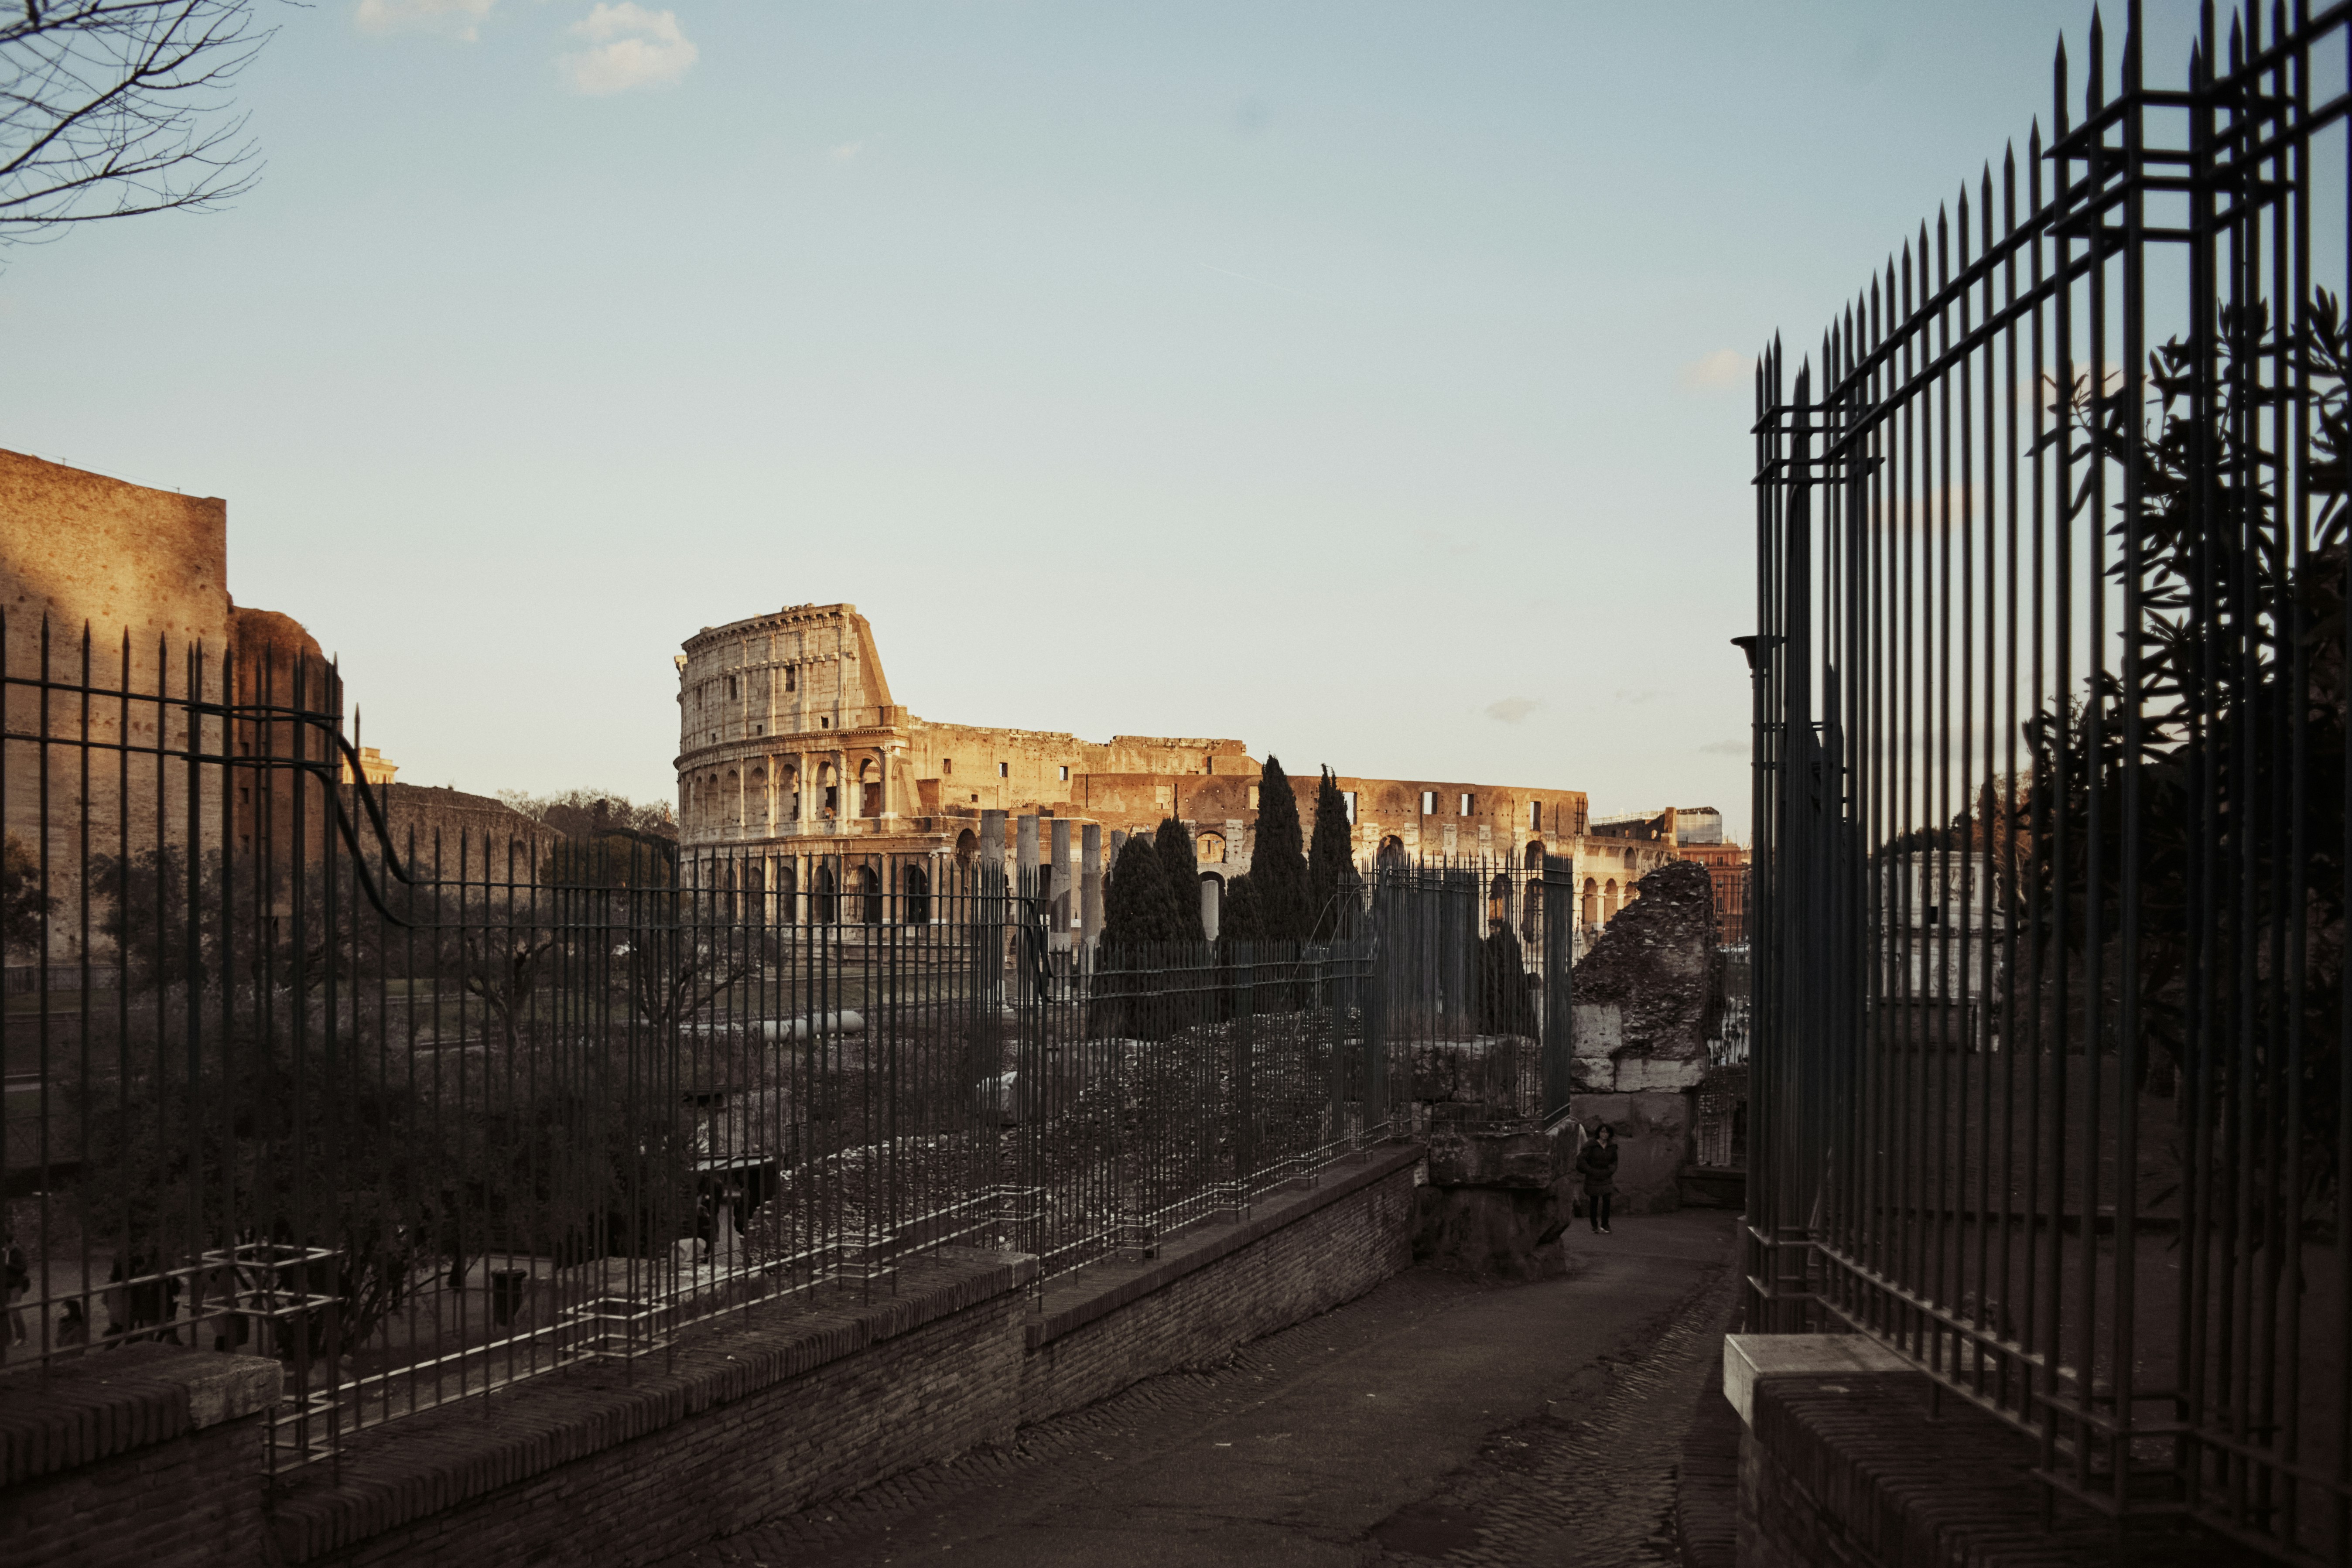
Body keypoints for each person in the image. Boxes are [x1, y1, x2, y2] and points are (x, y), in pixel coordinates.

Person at [1577, 1124, 1620, 1235]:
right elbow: (1582, 1160)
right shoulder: (1591, 1146)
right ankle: (1594, 1225)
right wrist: (1590, 1170)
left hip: (1606, 1176)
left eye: (1606, 1132)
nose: (1604, 1135)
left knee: (1607, 1200)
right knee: (1594, 1201)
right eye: (1602, 1132)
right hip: (1593, 1176)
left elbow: (1614, 1161)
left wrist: (1611, 1170)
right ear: (1599, 1133)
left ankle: (1605, 1224)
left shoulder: (1612, 1146)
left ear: (1609, 1134)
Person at [3, 1229, 28, 1347]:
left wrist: (10, 1266)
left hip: (16, 1285)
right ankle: (6, 1337)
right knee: (3, 1311)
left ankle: (22, 1338)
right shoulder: (3, 1251)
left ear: (10, 1243)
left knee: (14, 1310)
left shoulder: (18, 1252)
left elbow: (23, 1268)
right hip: (4, 1286)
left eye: (5, 1245)